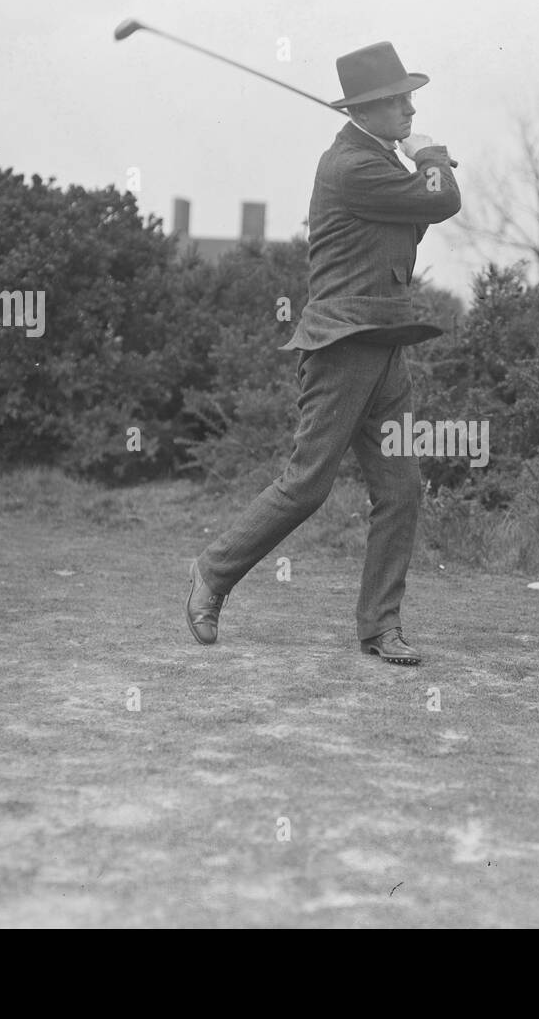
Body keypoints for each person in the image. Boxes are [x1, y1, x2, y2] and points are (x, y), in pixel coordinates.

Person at [185, 41, 461, 665]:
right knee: (307, 486)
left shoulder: (380, 161)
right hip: (340, 348)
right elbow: (443, 199)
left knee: (402, 488)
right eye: (400, 101)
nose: (412, 110)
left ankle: (379, 627)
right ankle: (211, 573)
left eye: (411, 98)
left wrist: (418, 161)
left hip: (385, 346)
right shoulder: (351, 167)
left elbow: (426, 204)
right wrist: (432, 158)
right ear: (369, 108)